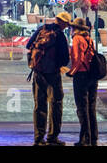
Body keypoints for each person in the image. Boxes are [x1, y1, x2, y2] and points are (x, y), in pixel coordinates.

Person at [25, 10, 72, 145]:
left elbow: (28, 45)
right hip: (53, 75)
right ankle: (52, 136)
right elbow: (64, 59)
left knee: (39, 106)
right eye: (66, 24)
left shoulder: (42, 29)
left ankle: (38, 138)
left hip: (38, 73)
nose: (66, 27)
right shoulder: (61, 36)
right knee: (56, 104)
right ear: (63, 23)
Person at [67, 19, 99, 146]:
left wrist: (71, 71)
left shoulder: (77, 39)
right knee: (91, 108)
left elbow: (77, 58)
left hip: (81, 75)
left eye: (72, 28)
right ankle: (93, 138)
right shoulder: (89, 39)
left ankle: (84, 138)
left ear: (75, 29)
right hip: (92, 76)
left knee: (82, 108)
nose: (70, 31)